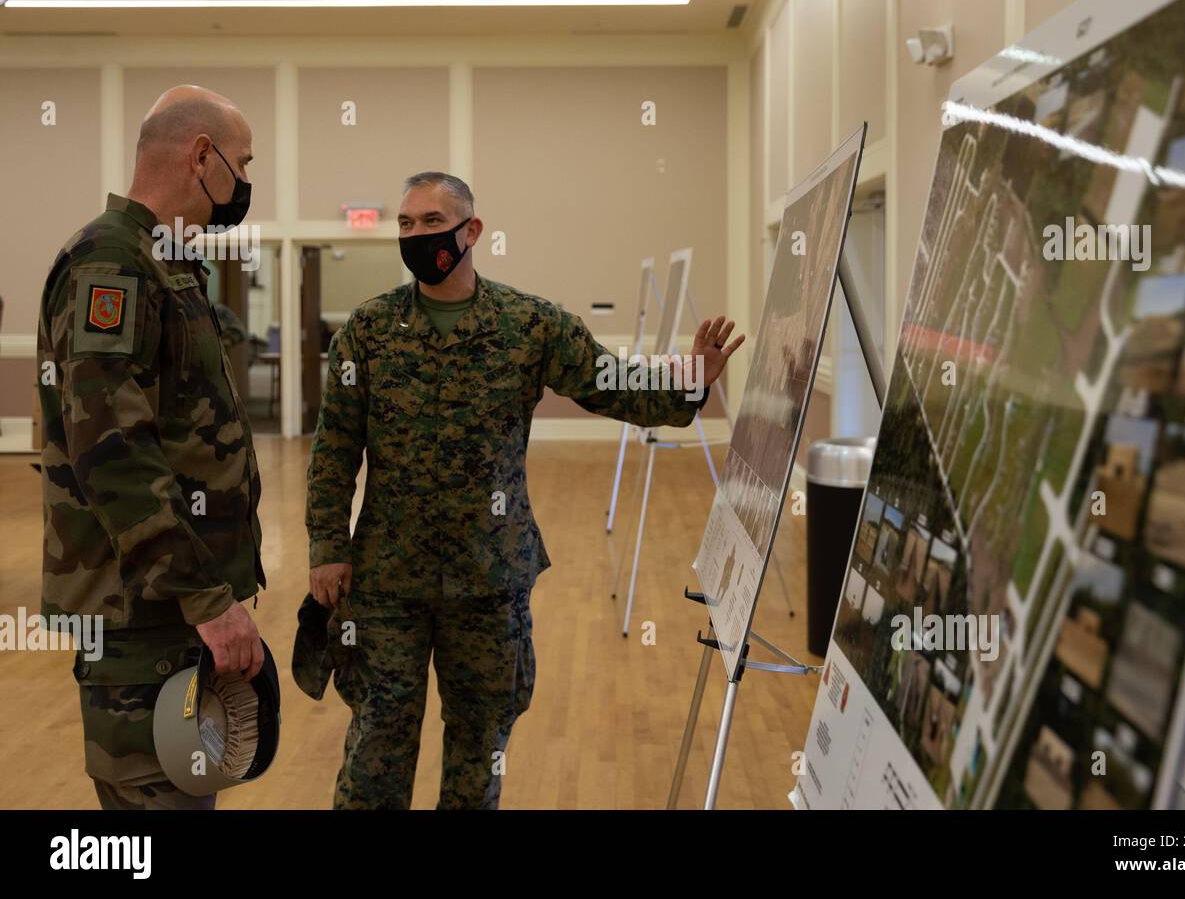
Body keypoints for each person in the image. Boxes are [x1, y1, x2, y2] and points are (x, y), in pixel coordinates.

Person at [306, 171, 744, 809]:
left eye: (432, 222)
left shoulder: (530, 325)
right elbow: (335, 446)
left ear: (471, 230)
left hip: (490, 579)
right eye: (406, 223)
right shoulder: (369, 331)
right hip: (386, 580)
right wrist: (326, 544)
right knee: (376, 746)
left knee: (480, 747)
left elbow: (611, 384)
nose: (416, 235)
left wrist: (691, 381)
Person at [37, 85, 266, 810]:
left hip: (172, 611)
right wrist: (204, 595)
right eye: (243, 162)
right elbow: (112, 447)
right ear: (202, 156)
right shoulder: (113, 261)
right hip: (142, 617)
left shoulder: (165, 260)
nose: (247, 183)